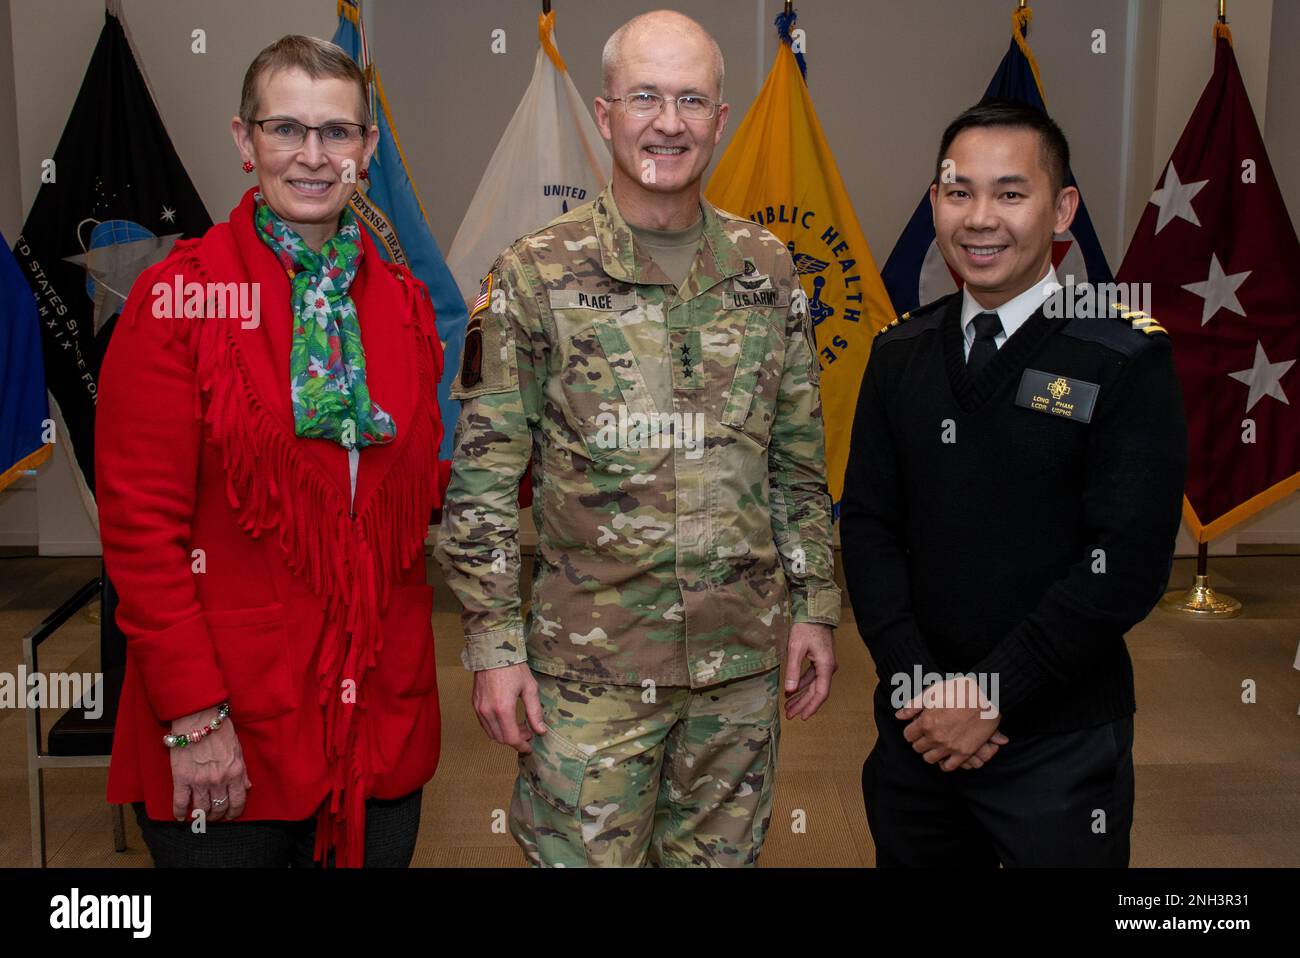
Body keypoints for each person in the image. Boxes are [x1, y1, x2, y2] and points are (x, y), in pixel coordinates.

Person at [436, 10, 840, 868]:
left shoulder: (766, 270)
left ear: (720, 121)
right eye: (646, 97)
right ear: (605, 111)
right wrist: (493, 644)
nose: (669, 122)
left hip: (737, 669)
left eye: (691, 100)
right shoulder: (535, 273)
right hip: (592, 677)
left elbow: (797, 463)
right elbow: (481, 482)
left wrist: (815, 606)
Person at [96, 35, 445, 867]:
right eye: (287, 128)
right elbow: (140, 534)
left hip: (376, 720)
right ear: (244, 141)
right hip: (231, 723)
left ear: (367, 147)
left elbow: (417, 500)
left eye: (338, 132)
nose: (313, 156)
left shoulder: (403, 302)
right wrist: (193, 714)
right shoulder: (179, 295)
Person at [841, 98, 1188, 867]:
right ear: (934, 202)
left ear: (1062, 209)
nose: (980, 218)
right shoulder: (900, 354)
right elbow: (868, 527)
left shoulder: (1123, 357)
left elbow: (1125, 564)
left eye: (1010, 192)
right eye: (958, 192)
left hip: (1058, 744)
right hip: (917, 733)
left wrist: (991, 693)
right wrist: (919, 689)